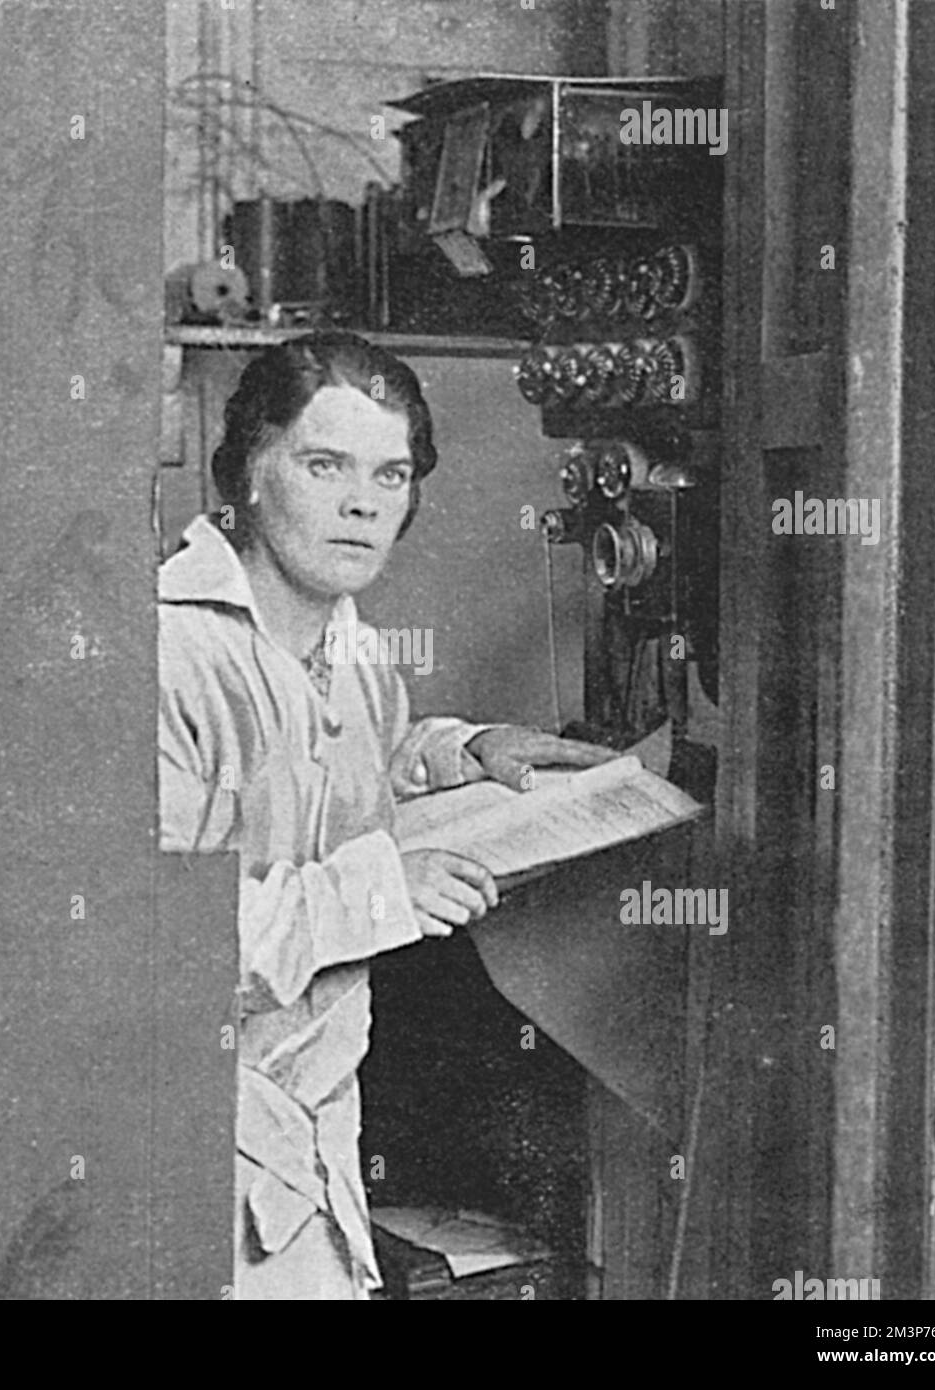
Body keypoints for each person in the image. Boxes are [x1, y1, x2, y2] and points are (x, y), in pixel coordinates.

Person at [157, 331, 610, 1299]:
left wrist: (463, 748)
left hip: (308, 1127)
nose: (362, 502)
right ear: (243, 468)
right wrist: (378, 889)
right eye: (324, 465)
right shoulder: (170, 655)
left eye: (391, 473)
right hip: (188, 1136)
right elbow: (164, 940)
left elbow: (340, 776)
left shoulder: (346, 643)